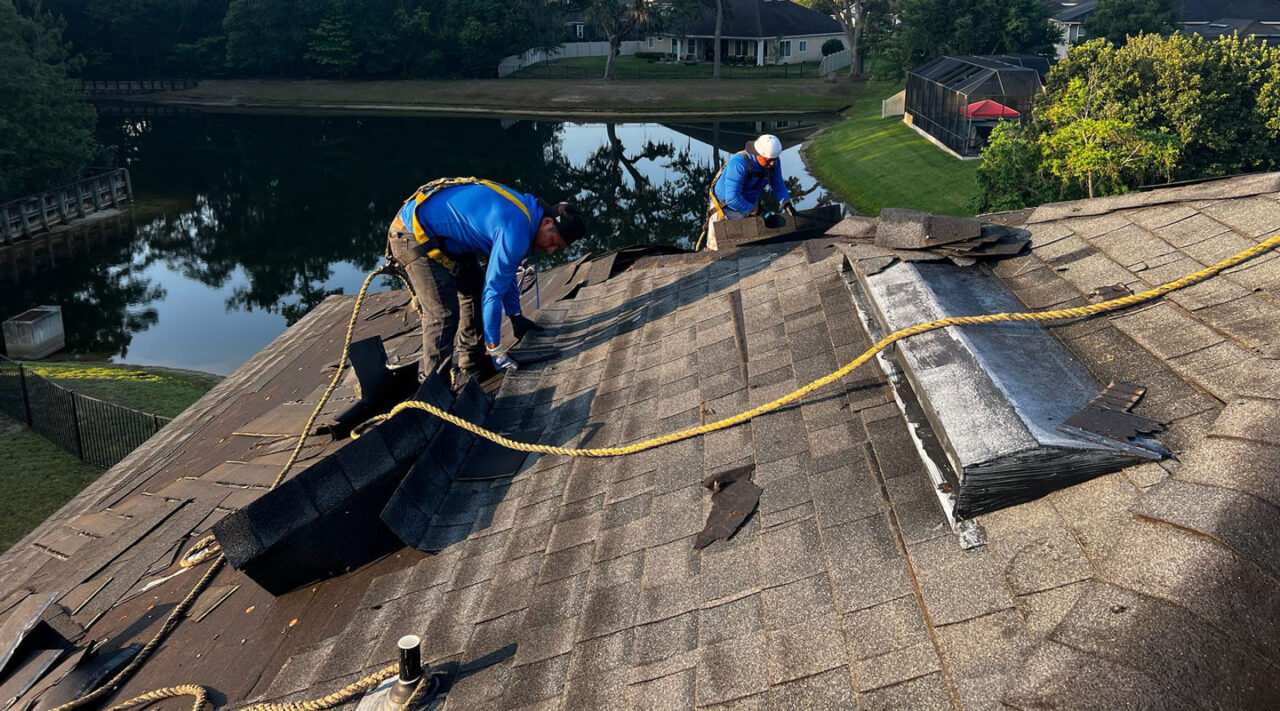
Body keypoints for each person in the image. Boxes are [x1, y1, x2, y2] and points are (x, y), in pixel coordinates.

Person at [386, 178, 587, 390]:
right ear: (548, 223)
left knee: (473, 288)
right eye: (554, 243)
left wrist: (515, 316)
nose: (550, 250)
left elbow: (505, 271)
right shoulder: (516, 229)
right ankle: (434, 387)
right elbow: (492, 293)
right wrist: (495, 347)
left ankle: (471, 363)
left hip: (443, 236)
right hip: (412, 234)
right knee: (443, 312)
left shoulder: (526, 214)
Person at [708, 134, 797, 223]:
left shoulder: (773, 162)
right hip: (725, 208)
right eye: (769, 160)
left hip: (750, 204)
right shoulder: (739, 164)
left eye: (775, 159)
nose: (772, 164)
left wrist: (786, 203)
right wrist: (757, 211)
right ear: (758, 153)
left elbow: (778, 184)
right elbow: (732, 199)